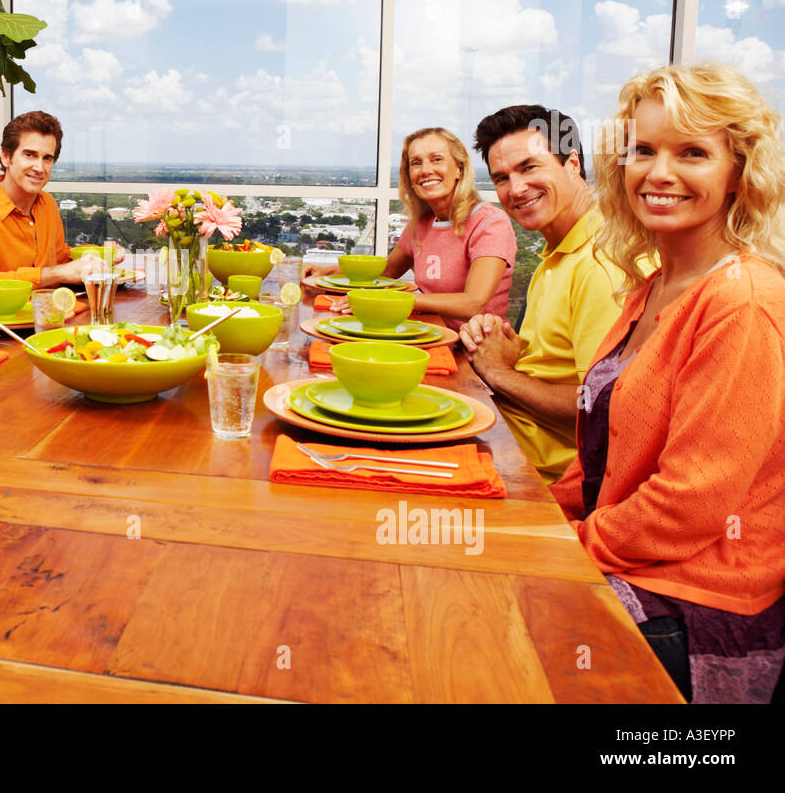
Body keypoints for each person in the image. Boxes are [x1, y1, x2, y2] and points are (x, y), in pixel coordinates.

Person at [551, 62, 785, 703]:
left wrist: (563, 545)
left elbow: (689, 506)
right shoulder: (652, 286)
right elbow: (604, 458)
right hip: (635, 552)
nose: (658, 173)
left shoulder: (744, 302)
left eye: (692, 153)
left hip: (697, 595)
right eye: (642, 151)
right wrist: (538, 511)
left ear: (738, 172)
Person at [458, 105, 628, 480]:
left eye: (530, 167)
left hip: (538, 474)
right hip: (506, 436)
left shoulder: (603, 265)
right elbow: (554, 362)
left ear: (572, 164)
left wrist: (499, 372)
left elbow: (603, 405)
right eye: (501, 178)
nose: (515, 189)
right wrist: (504, 345)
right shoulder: (558, 248)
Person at [322, 127, 516, 330]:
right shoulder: (422, 223)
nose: (425, 170)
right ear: (409, 177)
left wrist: (395, 299)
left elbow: (473, 304)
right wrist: (324, 274)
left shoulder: (491, 223)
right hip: (428, 332)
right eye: (416, 163)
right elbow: (387, 270)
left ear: (459, 169)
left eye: (437, 159)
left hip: (475, 349)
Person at [0, 110, 117, 288]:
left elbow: (61, 259)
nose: (39, 167)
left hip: (53, 312)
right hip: (0, 316)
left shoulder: (47, 204)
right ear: (6, 157)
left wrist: (99, 256)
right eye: (29, 155)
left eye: (47, 158)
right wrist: (53, 274)